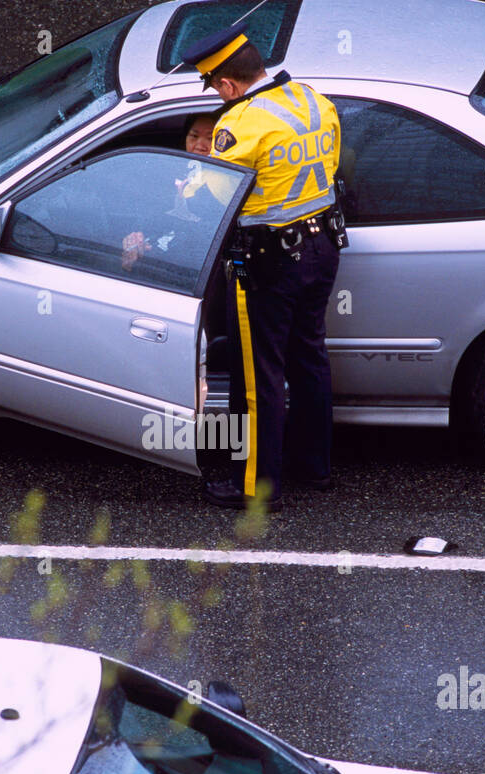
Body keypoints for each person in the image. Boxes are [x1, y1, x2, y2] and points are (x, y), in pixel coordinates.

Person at [181, 27, 347, 512]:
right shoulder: (313, 100)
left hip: (269, 262)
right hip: (324, 247)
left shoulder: (240, 125)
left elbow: (212, 197)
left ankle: (257, 485)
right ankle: (313, 467)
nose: (216, 96)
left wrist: (184, 188)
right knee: (309, 357)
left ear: (228, 85)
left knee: (260, 376)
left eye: (213, 87)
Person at [121, 113, 221, 272]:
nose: (199, 145)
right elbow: (155, 211)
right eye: (194, 136)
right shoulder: (173, 170)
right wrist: (138, 236)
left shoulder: (226, 180)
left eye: (210, 138)